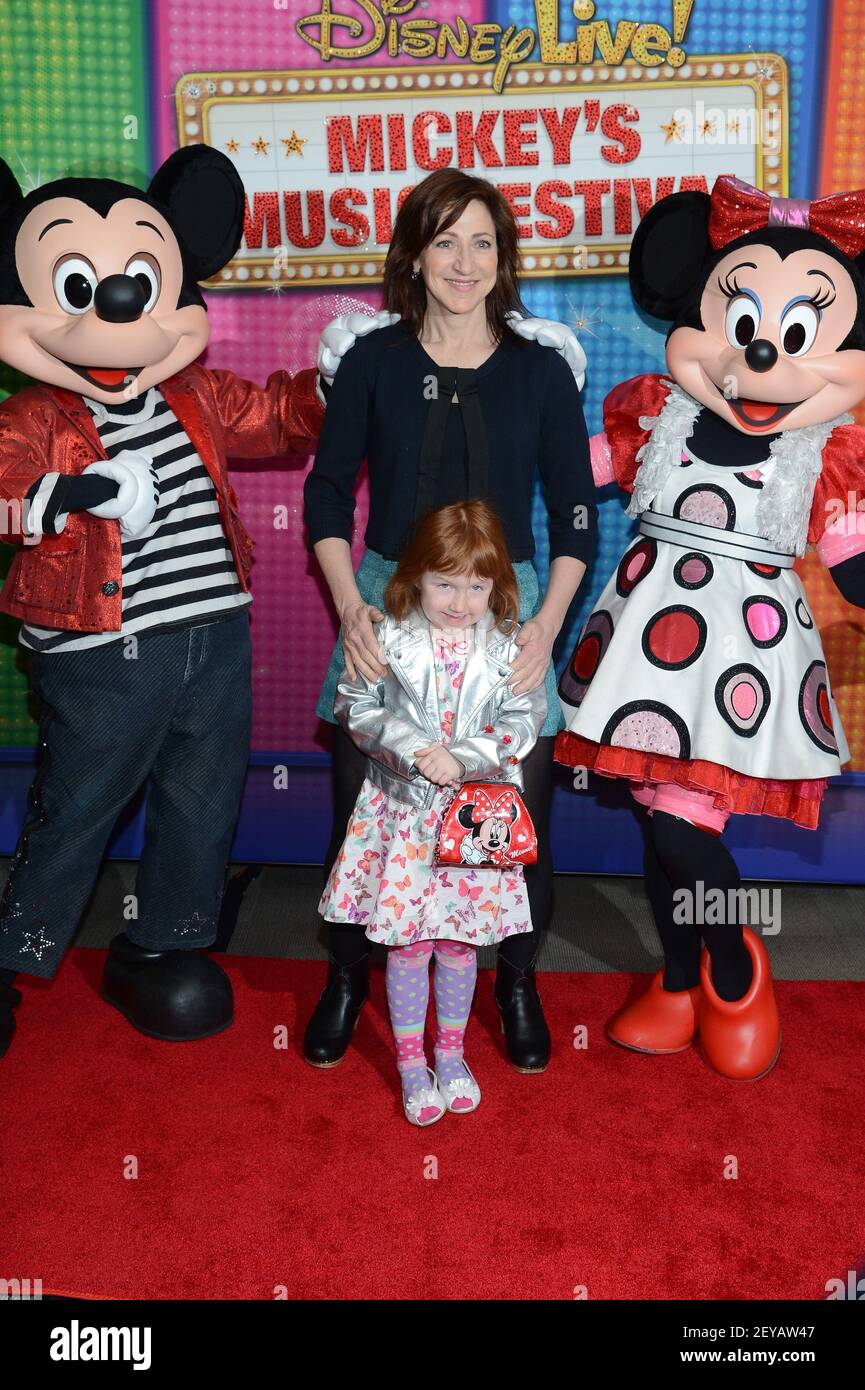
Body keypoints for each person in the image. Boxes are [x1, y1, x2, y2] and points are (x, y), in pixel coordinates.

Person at [556, 174, 865, 1079]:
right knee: (660, 823)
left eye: (796, 335)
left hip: (742, 666)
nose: (762, 355)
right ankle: (681, 977)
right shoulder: (659, 411)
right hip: (639, 660)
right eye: (743, 326)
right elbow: (571, 477)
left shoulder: (825, 449)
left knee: (685, 829)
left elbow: (850, 558)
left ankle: (735, 968)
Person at [303, 167, 597, 1072]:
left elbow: (576, 510)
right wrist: (349, 603)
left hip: (507, 608)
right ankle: (350, 976)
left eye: (481, 241)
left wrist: (545, 626)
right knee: (366, 810)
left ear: (503, 256)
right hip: (385, 600)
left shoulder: (542, 372)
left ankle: (516, 982)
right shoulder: (373, 362)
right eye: (444, 240)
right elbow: (322, 494)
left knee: (507, 813)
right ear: (414, 254)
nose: (464, 261)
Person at [320, 501, 546, 1124]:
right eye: (444, 582)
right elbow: (355, 708)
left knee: (459, 944)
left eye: (475, 586)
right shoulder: (386, 637)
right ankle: (411, 1064)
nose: (458, 600)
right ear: (414, 575)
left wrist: (468, 757)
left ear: (495, 586)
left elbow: (525, 720)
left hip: (476, 822)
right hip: (402, 819)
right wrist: (414, 750)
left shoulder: (508, 649)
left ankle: (450, 1056)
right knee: (408, 945)